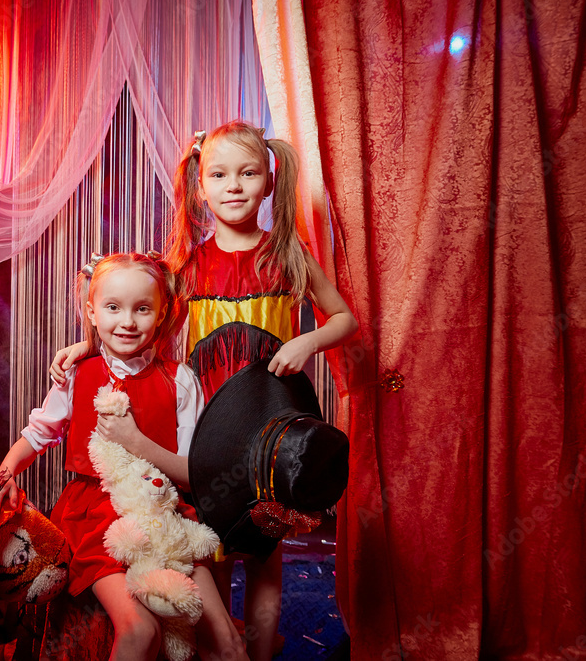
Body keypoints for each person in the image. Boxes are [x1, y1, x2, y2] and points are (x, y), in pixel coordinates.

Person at [52, 122, 358, 661]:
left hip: (269, 431)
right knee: (207, 548)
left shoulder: (286, 254)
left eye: (247, 174)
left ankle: (258, 655)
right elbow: (134, 321)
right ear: (200, 185)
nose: (233, 186)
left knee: (264, 559)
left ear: (268, 182)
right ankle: (219, 650)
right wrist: (87, 349)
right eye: (219, 174)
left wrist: (309, 341)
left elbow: (344, 319)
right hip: (205, 431)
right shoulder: (185, 266)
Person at [0, 252, 246, 661]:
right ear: (91, 311)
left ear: (161, 315)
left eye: (142, 309)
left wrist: (137, 442)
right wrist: (3, 476)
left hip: (165, 516)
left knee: (225, 640)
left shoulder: (180, 380)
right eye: (112, 307)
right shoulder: (76, 373)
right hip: (93, 521)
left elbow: (196, 473)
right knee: (140, 631)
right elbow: (37, 436)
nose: (127, 321)